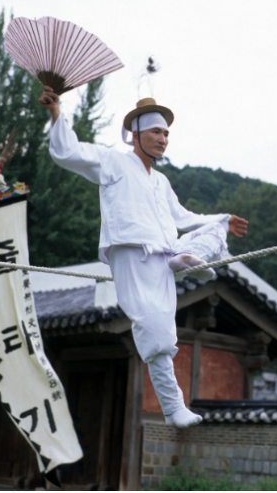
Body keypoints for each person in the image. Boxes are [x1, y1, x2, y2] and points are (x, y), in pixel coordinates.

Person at [40, 88, 248, 428]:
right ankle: (173, 408)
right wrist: (56, 111)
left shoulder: (162, 181)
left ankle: (189, 255)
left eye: (166, 133)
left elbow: (182, 217)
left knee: (213, 230)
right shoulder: (112, 161)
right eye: (156, 131)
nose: (163, 139)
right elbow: (67, 152)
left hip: (168, 256)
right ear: (135, 134)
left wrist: (222, 219)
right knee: (156, 331)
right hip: (132, 254)